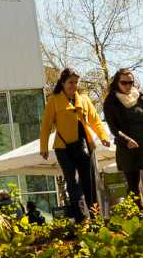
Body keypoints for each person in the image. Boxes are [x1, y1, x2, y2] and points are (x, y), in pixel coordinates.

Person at [41, 67, 111, 221]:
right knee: (72, 183)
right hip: (63, 148)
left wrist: (103, 136)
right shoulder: (54, 100)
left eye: (76, 82)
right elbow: (46, 125)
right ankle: (80, 219)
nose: (73, 85)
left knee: (89, 183)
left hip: (84, 145)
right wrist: (43, 147)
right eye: (70, 82)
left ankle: (95, 217)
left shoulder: (84, 99)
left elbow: (95, 120)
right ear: (63, 83)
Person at [100, 68, 143, 216]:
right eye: (124, 82)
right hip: (127, 148)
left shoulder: (141, 97)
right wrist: (126, 140)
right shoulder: (111, 102)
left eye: (130, 82)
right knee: (133, 185)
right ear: (117, 83)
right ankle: (139, 216)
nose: (127, 85)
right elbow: (113, 128)